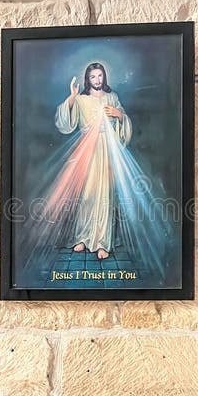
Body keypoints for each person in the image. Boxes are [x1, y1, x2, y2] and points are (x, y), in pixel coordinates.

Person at [54, 62, 131, 260]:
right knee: (87, 194)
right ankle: (83, 236)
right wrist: (72, 96)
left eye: (100, 76)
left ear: (104, 77)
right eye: (93, 77)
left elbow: (124, 122)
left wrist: (119, 115)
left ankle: (102, 242)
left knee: (104, 194)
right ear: (87, 80)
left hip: (107, 150)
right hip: (87, 150)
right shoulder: (81, 100)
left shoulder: (112, 97)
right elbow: (65, 122)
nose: (97, 80)